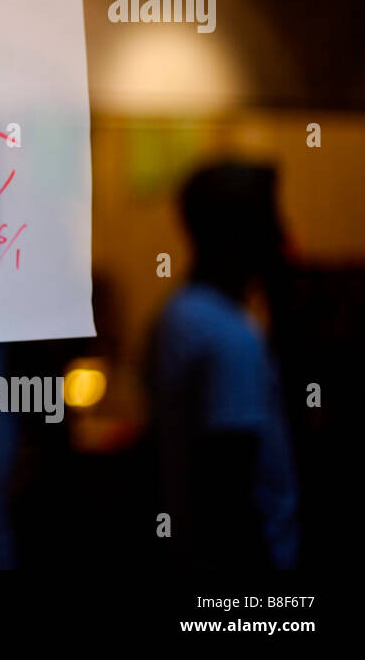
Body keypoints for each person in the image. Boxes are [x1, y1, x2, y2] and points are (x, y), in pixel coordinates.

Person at [149, 163, 298, 569]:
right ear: (239, 234)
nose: (284, 235)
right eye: (270, 221)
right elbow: (230, 503)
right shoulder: (229, 339)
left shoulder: (181, 314)